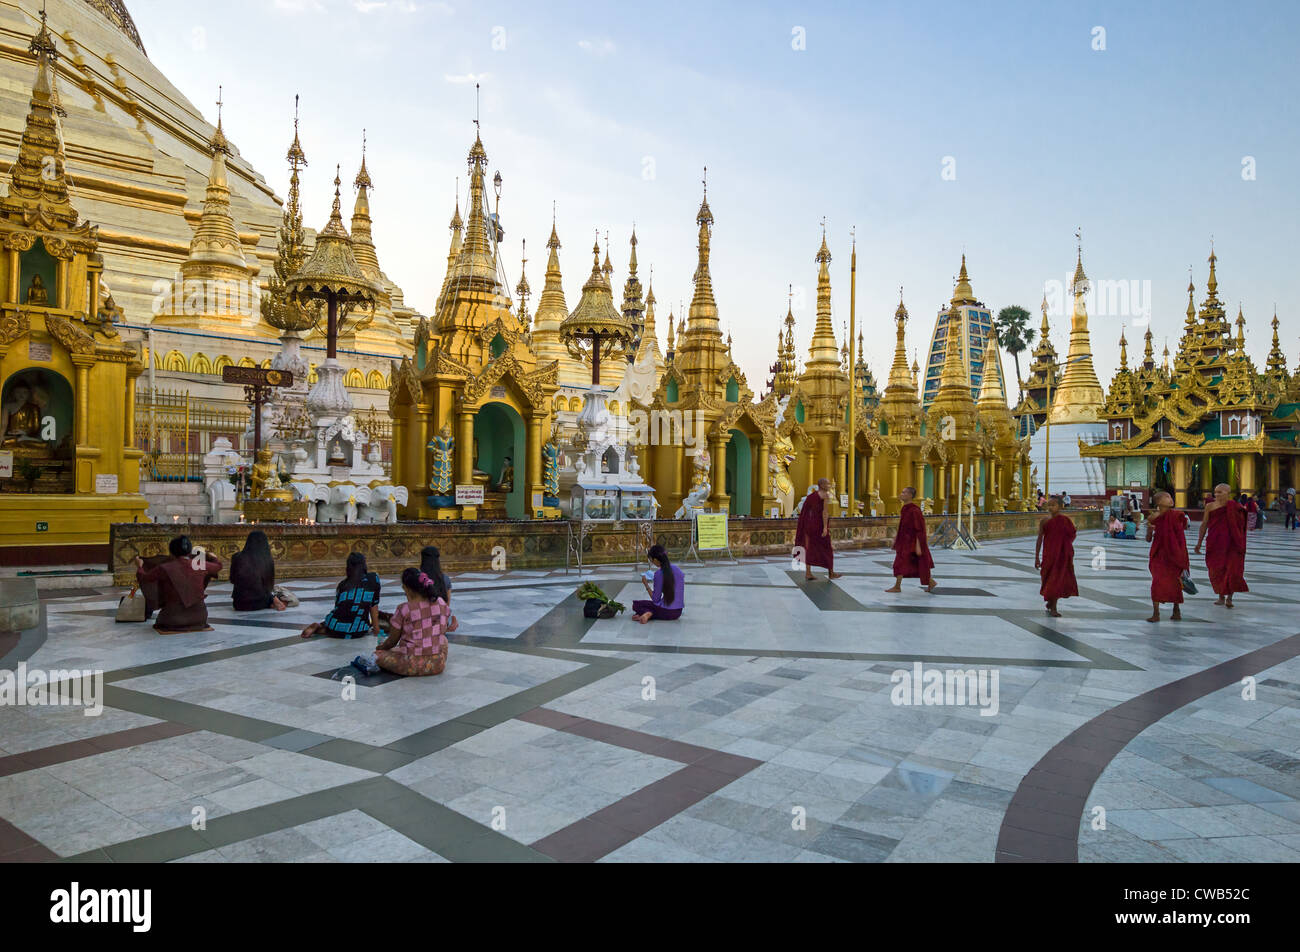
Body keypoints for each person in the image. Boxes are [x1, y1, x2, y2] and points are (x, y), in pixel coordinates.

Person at [374, 568, 456, 676]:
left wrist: (381, 648)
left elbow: (392, 641)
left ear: (408, 589)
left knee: (377, 655)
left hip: (411, 665)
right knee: (443, 639)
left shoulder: (404, 609)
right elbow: (443, 628)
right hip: (437, 663)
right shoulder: (440, 602)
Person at [133, 535, 221, 634]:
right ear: (189, 551)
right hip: (199, 618)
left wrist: (140, 566)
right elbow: (218, 566)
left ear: (171, 551)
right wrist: (214, 558)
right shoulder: (200, 564)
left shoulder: (164, 568)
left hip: (172, 620)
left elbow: (145, 578)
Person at [300, 552, 381, 639]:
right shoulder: (373, 578)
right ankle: (323, 628)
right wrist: (376, 629)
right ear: (364, 565)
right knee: (354, 622)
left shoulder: (343, 585)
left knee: (338, 620)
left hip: (336, 629)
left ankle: (320, 627)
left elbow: (339, 609)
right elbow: (373, 606)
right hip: (359, 630)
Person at [1195, 483, 1248, 608]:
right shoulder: (1210, 506)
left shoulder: (1235, 507)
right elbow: (1204, 524)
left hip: (1232, 544)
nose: (1217, 494)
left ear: (1228, 493)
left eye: (1220, 492)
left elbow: (1241, 527)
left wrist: (1241, 543)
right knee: (1216, 570)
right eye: (1216, 492)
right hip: (1215, 542)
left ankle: (1230, 597)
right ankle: (1221, 596)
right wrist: (1199, 543)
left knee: (1232, 570)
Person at [1145, 491, 1189, 623]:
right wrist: (1149, 531)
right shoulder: (1153, 518)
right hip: (1160, 554)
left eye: (1170, 497)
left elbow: (1181, 532)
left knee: (1176, 582)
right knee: (1157, 582)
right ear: (1159, 502)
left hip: (1176, 553)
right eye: (1167, 497)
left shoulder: (1178, 515)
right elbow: (1148, 539)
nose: (1171, 499)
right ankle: (1156, 613)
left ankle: (1176, 610)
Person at [886, 486, 936, 593]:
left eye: (904, 492)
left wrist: (918, 546)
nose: (901, 494)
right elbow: (902, 525)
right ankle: (930, 582)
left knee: (903, 563)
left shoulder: (915, 510)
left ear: (909, 495)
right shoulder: (905, 508)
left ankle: (897, 586)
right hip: (904, 541)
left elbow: (920, 529)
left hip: (912, 542)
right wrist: (896, 538)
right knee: (906, 564)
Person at [1035, 495, 1078, 617]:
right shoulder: (1045, 521)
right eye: (1049, 505)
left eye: (1053, 505)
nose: (1050, 507)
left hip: (1062, 555)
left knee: (1057, 580)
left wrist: (1065, 547)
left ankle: (1053, 606)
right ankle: (1050, 602)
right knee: (1049, 579)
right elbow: (1039, 539)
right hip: (1049, 555)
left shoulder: (1065, 520)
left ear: (1060, 506)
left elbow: (1072, 535)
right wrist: (1037, 557)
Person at [795, 477, 841, 581]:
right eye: (827, 484)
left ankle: (808, 573)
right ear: (822, 485)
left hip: (809, 525)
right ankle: (831, 573)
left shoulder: (812, 496)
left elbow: (805, 511)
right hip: (818, 526)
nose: (829, 486)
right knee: (827, 548)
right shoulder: (825, 495)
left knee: (809, 547)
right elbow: (825, 513)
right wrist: (825, 528)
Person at [230, 529, 286, 612]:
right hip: (260, 602)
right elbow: (267, 586)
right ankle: (274, 601)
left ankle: (273, 600)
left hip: (239, 603)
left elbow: (232, 579)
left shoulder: (237, 557)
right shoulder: (267, 560)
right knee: (282, 594)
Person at [631, 544, 685, 623]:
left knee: (636, 604)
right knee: (649, 606)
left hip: (665, 611)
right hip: (678, 612)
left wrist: (646, 584)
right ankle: (647, 614)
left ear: (656, 560)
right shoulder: (678, 570)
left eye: (652, 560)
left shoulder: (659, 573)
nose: (653, 562)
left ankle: (649, 613)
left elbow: (655, 600)